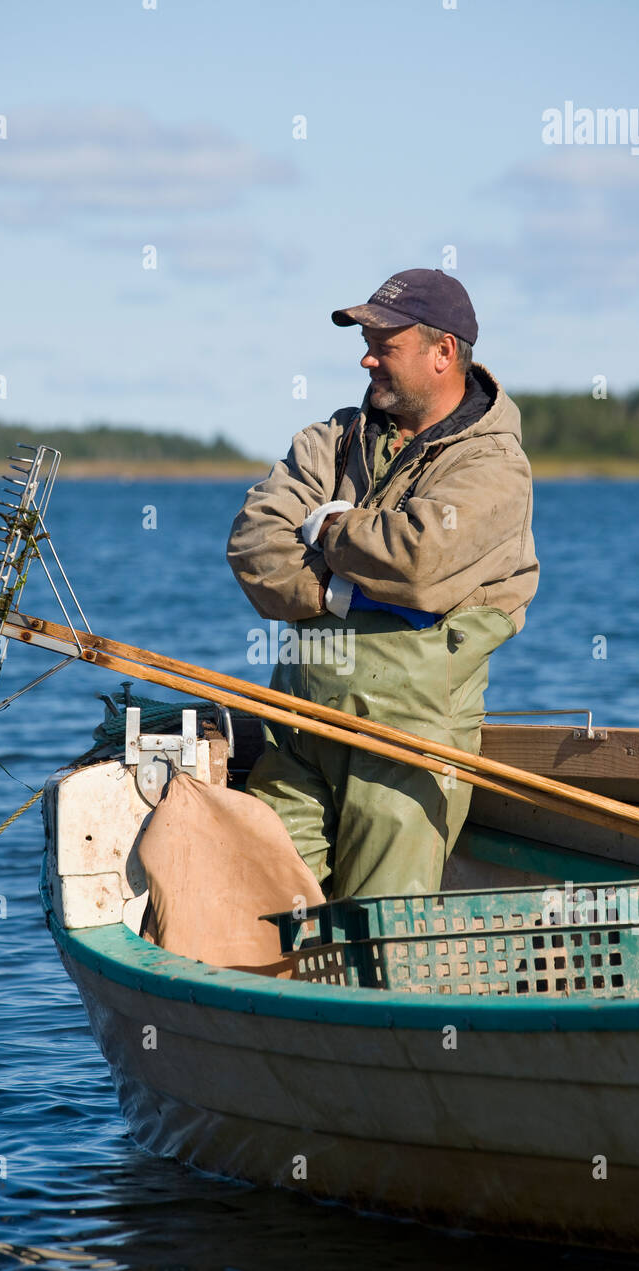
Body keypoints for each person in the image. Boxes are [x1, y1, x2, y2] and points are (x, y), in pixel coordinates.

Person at [226, 268, 539, 900]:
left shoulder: (494, 464)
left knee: (379, 930)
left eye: (385, 346)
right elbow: (254, 545)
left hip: (408, 747)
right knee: (253, 902)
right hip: (299, 731)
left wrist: (327, 526)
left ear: (442, 352)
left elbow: (420, 559)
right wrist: (337, 591)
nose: (367, 359)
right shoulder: (330, 441)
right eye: (366, 344)